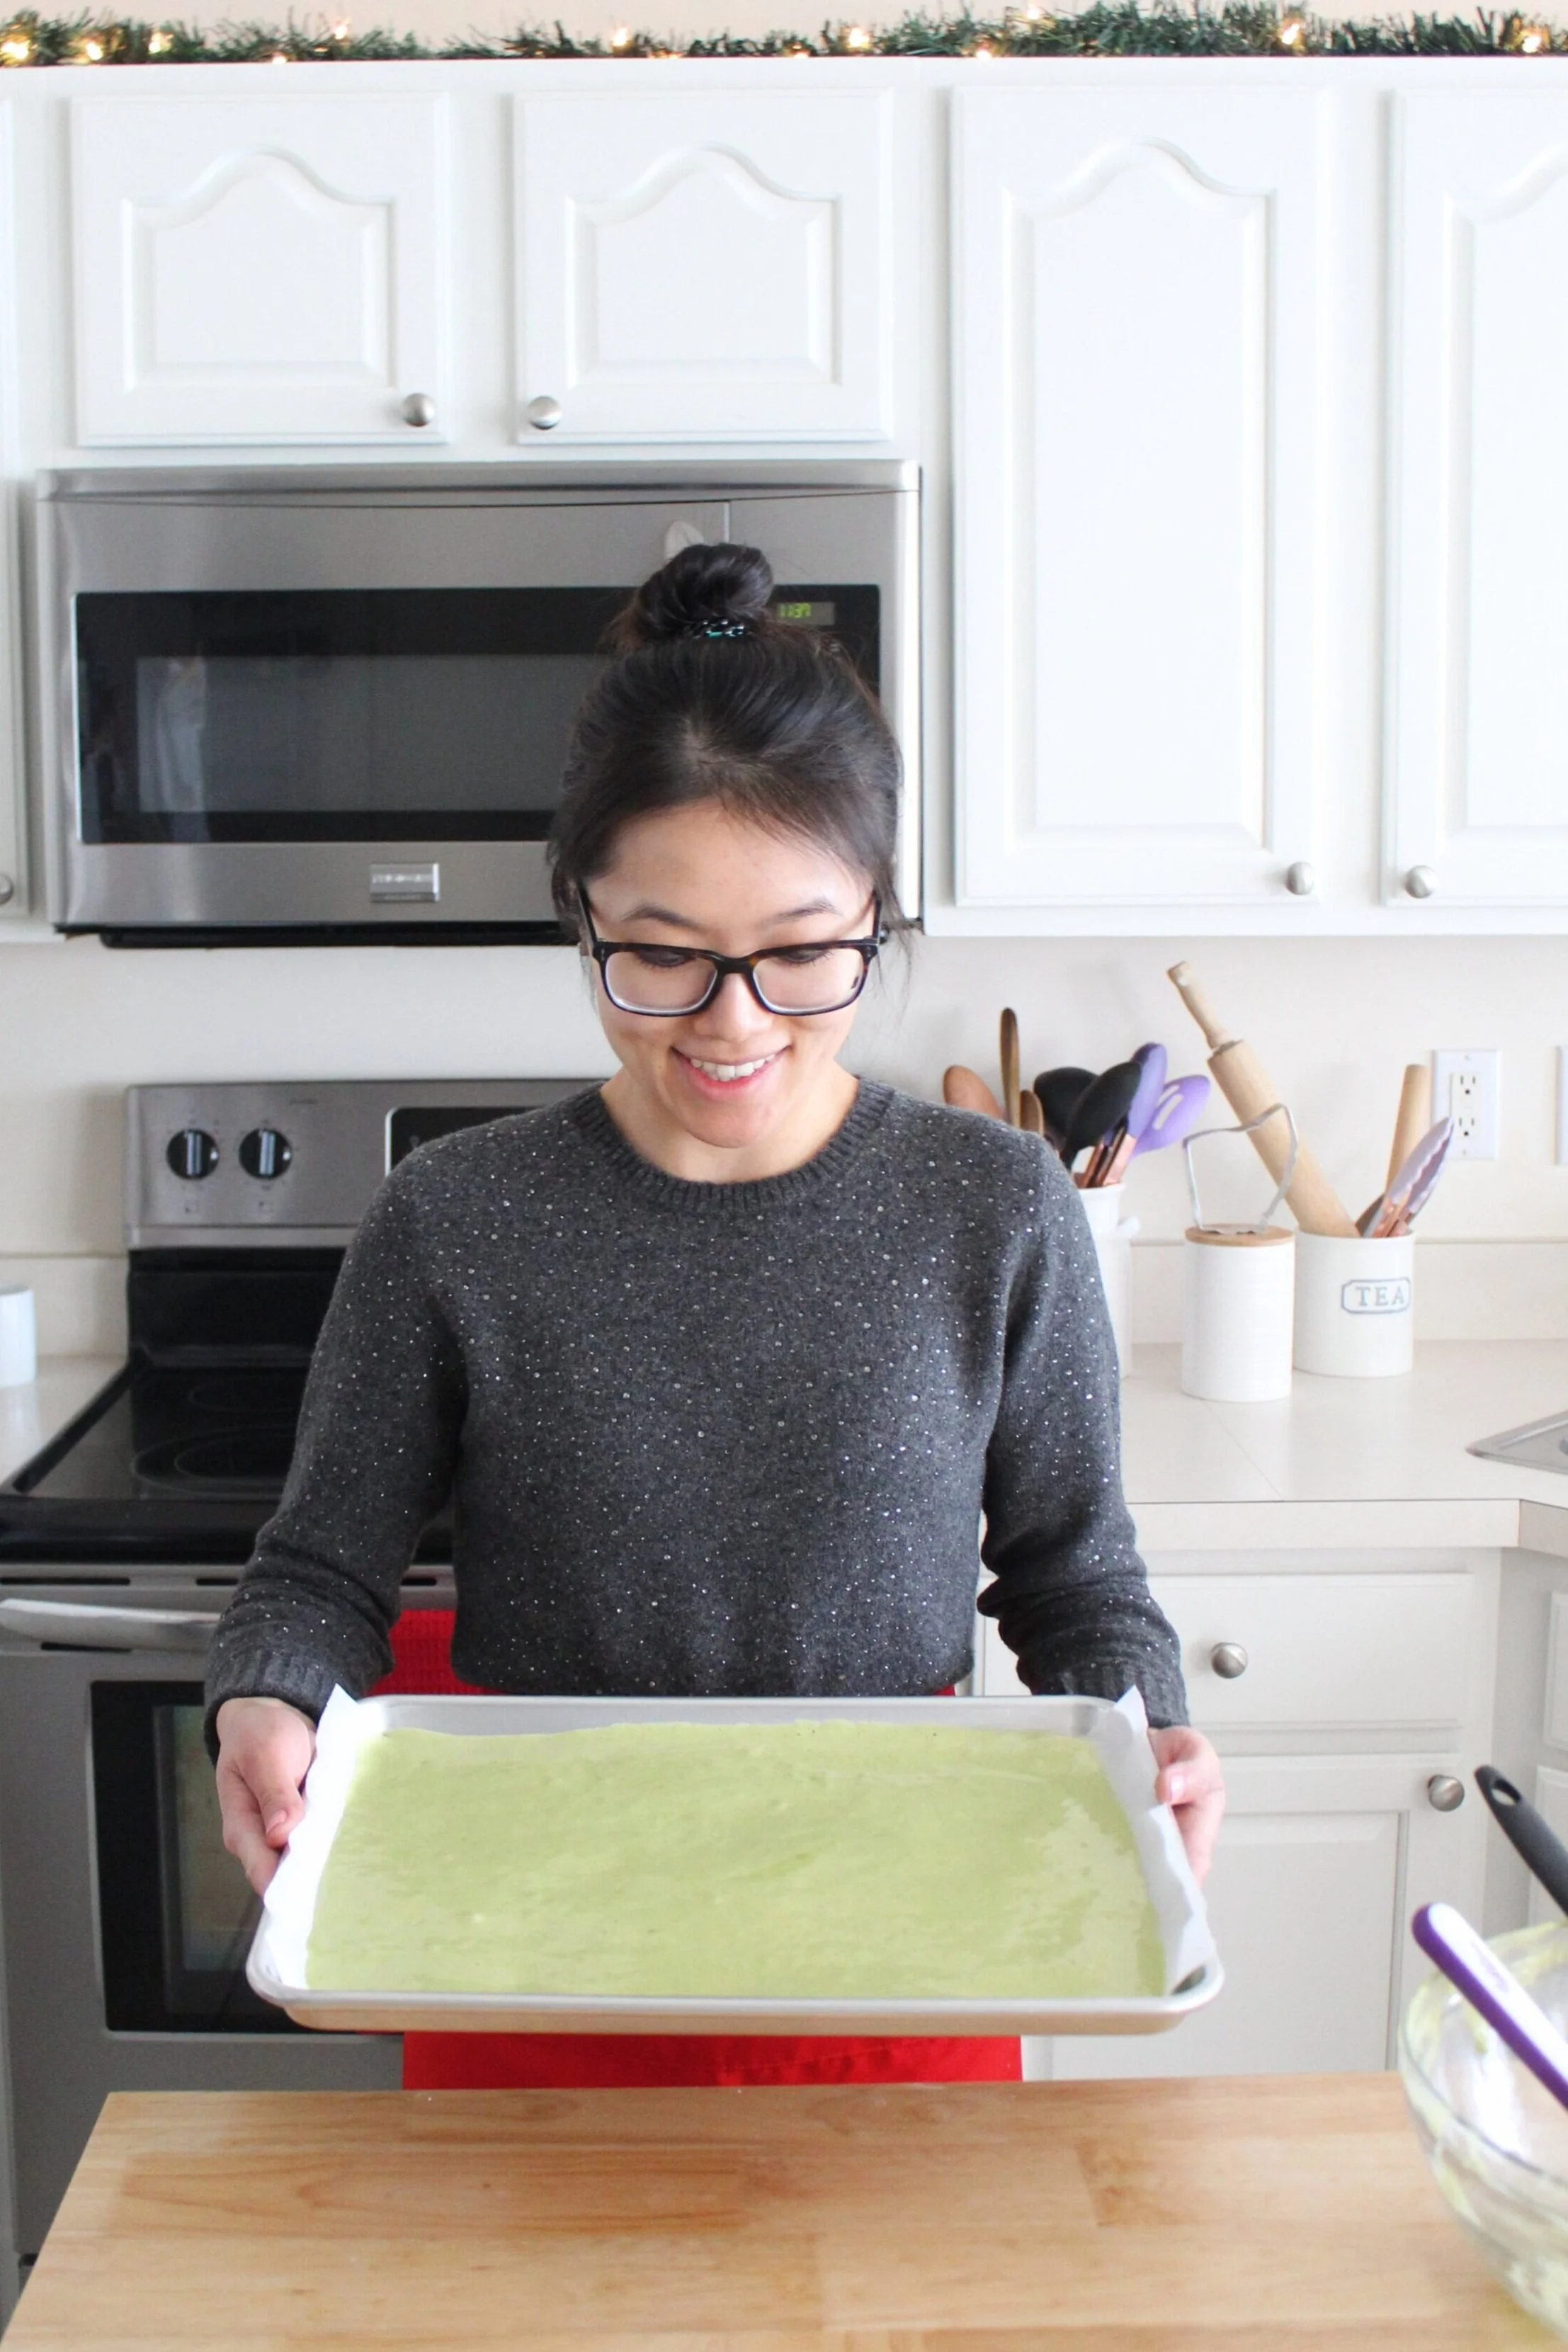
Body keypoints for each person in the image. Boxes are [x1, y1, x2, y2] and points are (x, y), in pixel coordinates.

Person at [208, 540, 1223, 2084]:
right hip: (526, 1959)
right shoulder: (455, 1219)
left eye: (806, 952)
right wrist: (266, 1700)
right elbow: (317, 1569)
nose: (735, 1021)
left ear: (879, 916)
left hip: (903, 1957)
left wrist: (1148, 1729)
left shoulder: (999, 1208)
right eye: (663, 955)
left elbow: (1078, 1580)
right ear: (580, 915)